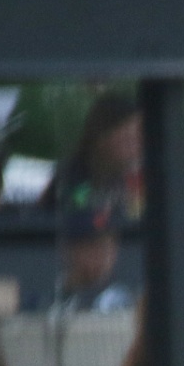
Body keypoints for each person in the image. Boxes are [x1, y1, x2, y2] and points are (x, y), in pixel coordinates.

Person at [40, 90, 141, 219]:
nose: (138, 145)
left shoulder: (132, 178)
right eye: (129, 137)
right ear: (102, 138)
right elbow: (80, 211)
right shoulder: (75, 177)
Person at [50, 205, 131, 313]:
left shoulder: (125, 300)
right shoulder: (49, 298)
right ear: (69, 250)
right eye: (93, 246)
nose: (103, 255)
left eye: (108, 246)